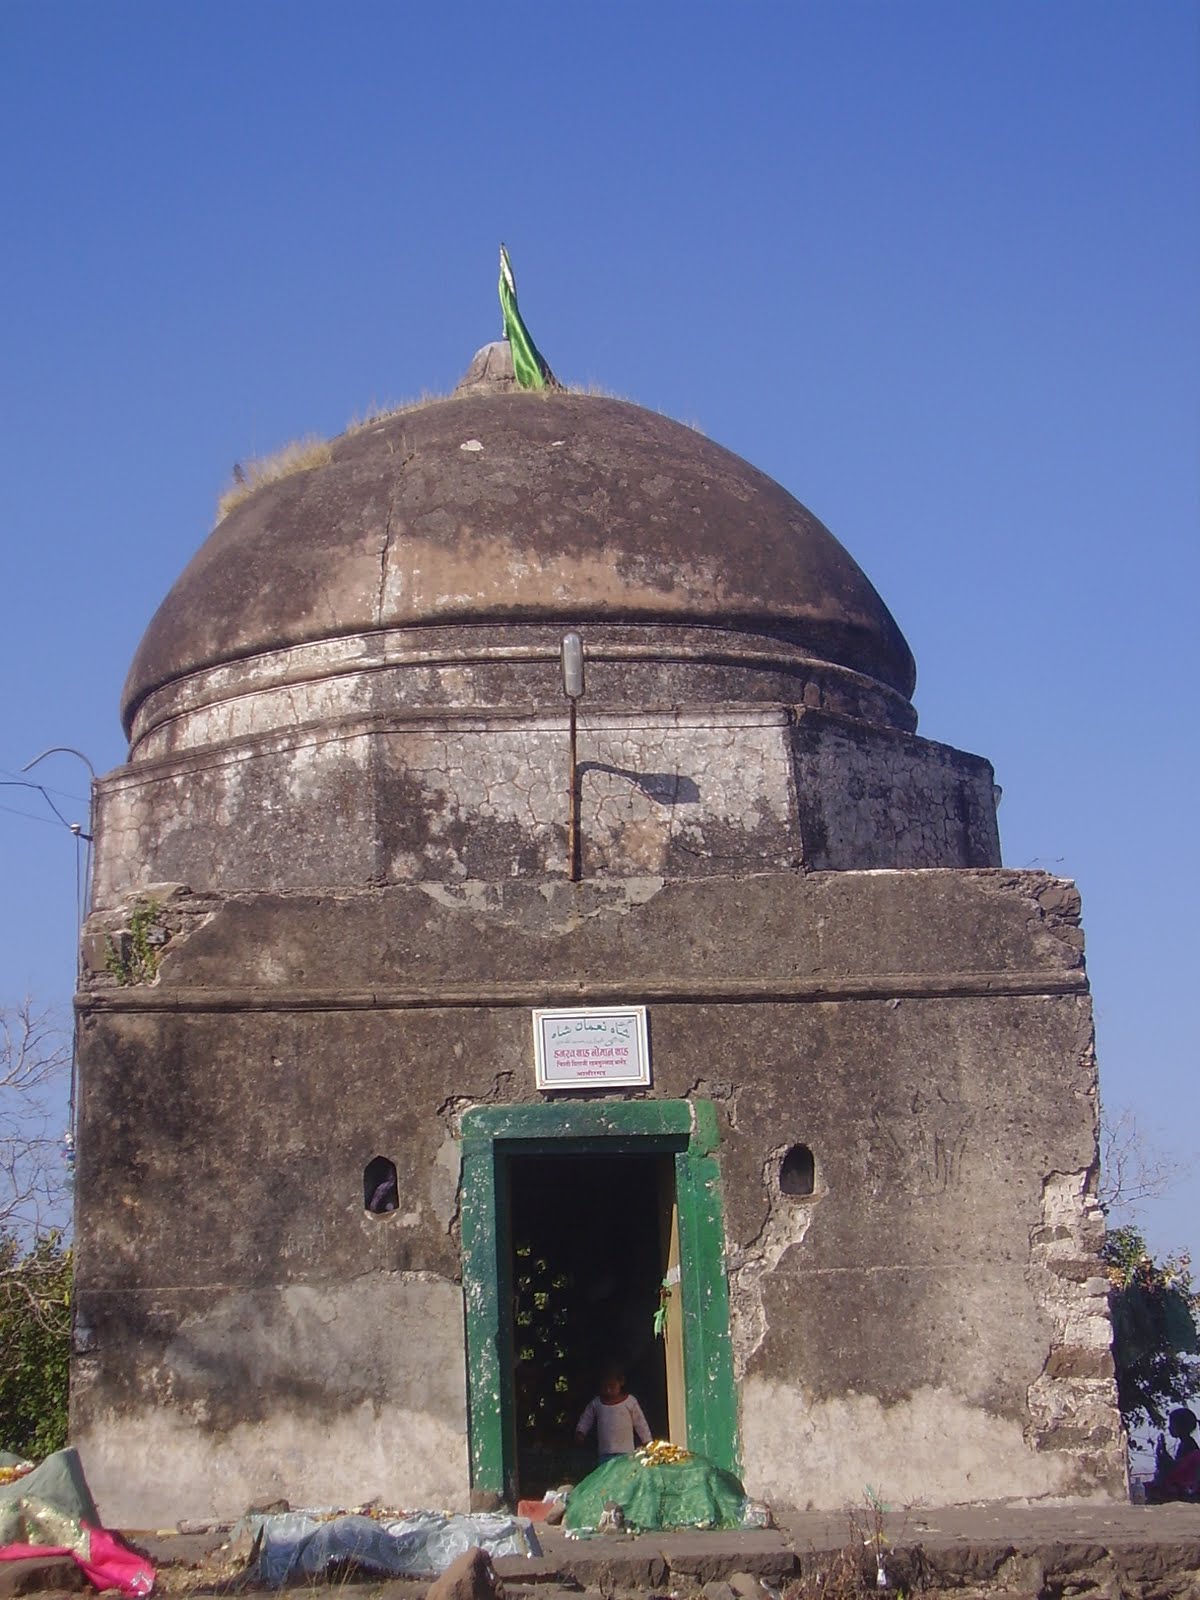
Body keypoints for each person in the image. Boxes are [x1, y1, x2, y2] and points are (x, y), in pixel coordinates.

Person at [574, 1363, 651, 1464]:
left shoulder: (630, 1402)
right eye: (604, 1387)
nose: (608, 1390)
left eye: (612, 1386)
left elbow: (640, 1423)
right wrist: (581, 1432)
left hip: (626, 1452)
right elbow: (586, 1418)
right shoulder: (596, 1403)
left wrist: (647, 1441)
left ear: (621, 1382)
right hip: (605, 1452)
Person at [1148, 1407, 1200, 1501]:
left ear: (1180, 1426)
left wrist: (1162, 1455)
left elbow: (1177, 1468)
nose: (1169, 1427)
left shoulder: (1188, 1445)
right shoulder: (1186, 1443)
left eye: (1171, 1425)